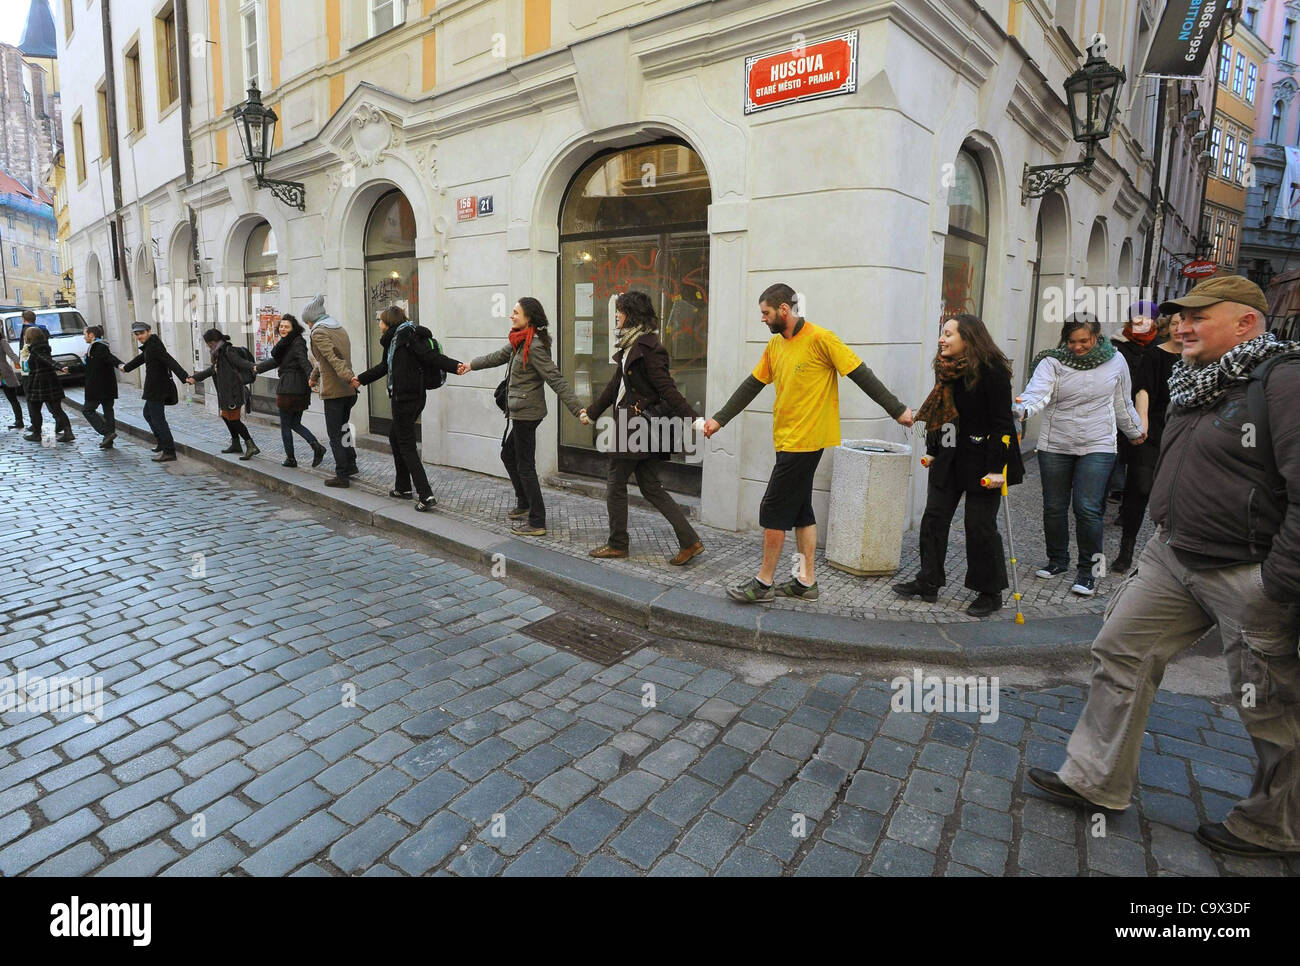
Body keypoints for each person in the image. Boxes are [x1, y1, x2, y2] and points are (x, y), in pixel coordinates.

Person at [1028, 275, 1300, 859]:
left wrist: (1278, 581)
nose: (1183, 324)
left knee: (1266, 700)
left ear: (1247, 323)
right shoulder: (1196, 377)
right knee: (1120, 652)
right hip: (1173, 554)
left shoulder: (1284, 380)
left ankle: (1275, 824)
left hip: (1246, 570)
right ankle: (1095, 780)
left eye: (1200, 315)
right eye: (1181, 315)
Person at [702, 283, 915, 603]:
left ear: (783, 311)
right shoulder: (775, 347)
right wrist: (720, 419)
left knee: (773, 509)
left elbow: (861, 373)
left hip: (807, 439)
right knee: (801, 511)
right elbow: (751, 385)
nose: (762, 319)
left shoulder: (821, 339)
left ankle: (763, 583)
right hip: (786, 438)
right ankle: (806, 582)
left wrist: (897, 410)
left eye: (765, 313)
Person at [892, 314, 1024, 617]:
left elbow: (1003, 424)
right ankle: (929, 581)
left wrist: (995, 469)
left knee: (979, 526)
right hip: (950, 455)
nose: (942, 339)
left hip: (983, 459)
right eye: (942, 333)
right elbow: (942, 416)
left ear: (969, 338)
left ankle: (989, 593)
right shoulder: (946, 369)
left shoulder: (992, 372)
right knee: (934, 517)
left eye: (949, 334)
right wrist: (933, 451)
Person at [1014, 313, 1145, 597]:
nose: (1077, 347)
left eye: (1084, 341)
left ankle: (1089, 571)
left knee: (1087, 508)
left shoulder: (1116, 360)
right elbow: (1038, 393)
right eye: (1072, 341)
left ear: (1096, 337)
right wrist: (1021, 409)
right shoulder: (1052, 362)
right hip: (1056, 444)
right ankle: (1058, 560)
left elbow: (1122, 402)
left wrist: (1134, 431)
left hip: (1098, 444)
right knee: (1054, 506)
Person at [585, 290, 704, 566]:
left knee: (615, 483)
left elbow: (667, 389)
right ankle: (690, 541)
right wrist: (591, 414)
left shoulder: (649, 349)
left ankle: (617, 544)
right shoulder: (630, 346)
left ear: (631, 315)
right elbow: (615, 386)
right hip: (633, 425)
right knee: (651, 487)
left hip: (635, 426)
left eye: (620, 310)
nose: (616, 315)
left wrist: (693, 418)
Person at [461, 297, 589, 536]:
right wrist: (471, 365)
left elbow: (556, 378)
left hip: (527, 413)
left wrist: (578, 409)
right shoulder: (519, 341)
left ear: (529, 317)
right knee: (508, 454)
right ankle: (524, 502)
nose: (512, 316)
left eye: (516, 313)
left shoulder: (534, 346)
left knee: (525, 465)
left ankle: (537, 520)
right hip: (520, 410)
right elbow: (497, 356)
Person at [355, 305, 461, 512]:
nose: (378, 324)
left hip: (407, 399)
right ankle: (402, 487)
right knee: (396, 437)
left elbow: (431, 357)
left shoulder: (409, 337)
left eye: (380, 320)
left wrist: (456, 366)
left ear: (388, 322)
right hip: (409, 398)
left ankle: (426, 494)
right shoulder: (393, 341)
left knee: (407, 445)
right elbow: (384, 367)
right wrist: (360, 379)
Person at [1112, 314, 1182, 572]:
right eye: (1174, 323)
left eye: (1182, 323)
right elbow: (1143, 390)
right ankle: (1126, 549)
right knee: (1139, 488)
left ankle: (1164, 554)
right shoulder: (1156, 354)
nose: (1178, 328)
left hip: (1184, 431)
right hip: (1154, 427)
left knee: (1173, 494)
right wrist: (1142, 422)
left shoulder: (1201, 356)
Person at [254, 314, 327, 468]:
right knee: (294, 422)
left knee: (286, 424)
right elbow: (276, 361)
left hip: (290, 388)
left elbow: (303, 360)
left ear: (293, 328)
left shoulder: (296, 342)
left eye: (286, 326)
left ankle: (291, 458)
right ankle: (316, 446)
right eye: (281, 326)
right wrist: (258, 368)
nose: (283, 329)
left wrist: (311, 378)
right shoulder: (287, 343)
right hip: (298, 388)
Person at [1105, 300, 1159, 504]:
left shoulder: (1159, 346)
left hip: (1149, 407)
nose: (1142, 321)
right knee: (1117, 448)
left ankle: (1130, 501)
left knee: (1140, 455)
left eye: (1147, 317)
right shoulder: (1117, 344)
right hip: (1119, 402)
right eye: (1138, 316)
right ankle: (1116, 488)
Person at [305, 294, 359, 488]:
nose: (308, 327)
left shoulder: (319, 332)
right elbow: (325, 360)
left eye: (308, 323)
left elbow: (333, 359)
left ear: (311, 320)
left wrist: (348, 376)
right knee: (344, 427)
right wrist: (313, 377)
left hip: (336, 389)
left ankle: (342, 474)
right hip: (348, 390)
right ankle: (351, 463)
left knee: (334, 433)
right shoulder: (338, 328)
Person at [121, 321, 189, 462]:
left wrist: (184, 376)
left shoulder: (154, 346)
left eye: (141, 333)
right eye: (137, 334)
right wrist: (126, 368)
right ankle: (162, 443)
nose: (139, 336)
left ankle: (169, 451)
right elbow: (141, 359)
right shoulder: (150, 346)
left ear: (149, 331)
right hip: (154, 388)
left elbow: (170, 361)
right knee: (148, 414)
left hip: (157, 388)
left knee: (158, 420)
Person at [188, 329, 260, 460]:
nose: (208, 346)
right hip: (225, 393)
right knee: (226, 417)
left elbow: (241, 363)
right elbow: (212, 370)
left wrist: (254, 367)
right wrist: (195, 378)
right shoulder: (218, 354)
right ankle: (236, 443)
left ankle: (251, 445)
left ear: (213, 342)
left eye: (208, 344)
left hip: (233, 392)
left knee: (234, 420)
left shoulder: (228, 351)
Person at [21, 326, 74, 443]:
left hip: (39, 383)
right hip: (51, 381)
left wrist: (60, 367)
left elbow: (47, 360)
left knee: (34, 408)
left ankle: (36, 433)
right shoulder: (44, 347)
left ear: (30, 337)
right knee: (57, 409)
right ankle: (68, 432)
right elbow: (47, 360)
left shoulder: (36, 349)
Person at [79, 325, 122, 448]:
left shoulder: (99, 347)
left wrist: (120, 364)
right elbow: (88, 366)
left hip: (98, 387)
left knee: (87, 410)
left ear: (91, 335)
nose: (84, 337)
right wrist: (70, 369)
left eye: (85, 334)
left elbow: (109, 358)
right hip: (106, 385)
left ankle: (107, 433)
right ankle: (109, 441)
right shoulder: (95, 347)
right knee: (108, 411)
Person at [1, 335, 22, 429]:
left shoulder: (2, 342)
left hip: (3, 374)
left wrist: (23, 364)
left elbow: (12, 355)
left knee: (12, 398)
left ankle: (19, 421)